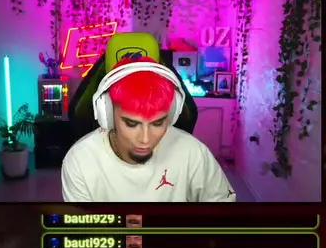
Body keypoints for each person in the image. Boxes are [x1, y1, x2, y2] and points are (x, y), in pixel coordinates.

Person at [62, 57, 235, 202]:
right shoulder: (80, 160)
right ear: (107, 113)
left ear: (172, 115)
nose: (145, 139)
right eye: (131, 124)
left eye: (158, 123)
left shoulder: (193, 153)